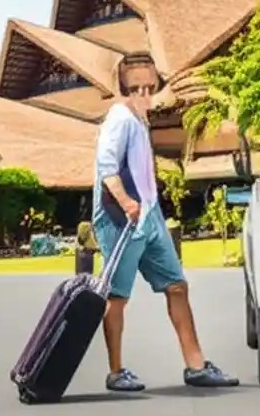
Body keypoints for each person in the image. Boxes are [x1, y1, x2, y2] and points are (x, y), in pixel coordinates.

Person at [92, 53, 239, 391]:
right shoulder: (119, 118)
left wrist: (147, 207)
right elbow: (107, 170)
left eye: (149, 86)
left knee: (176, 285)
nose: (144, 93)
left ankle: (196, 366)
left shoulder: (140, 118)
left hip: (150, 215)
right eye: (136, 87)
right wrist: (128, 203)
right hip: (121, 219)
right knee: (116, 296)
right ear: (123, 87)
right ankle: (116, 372)